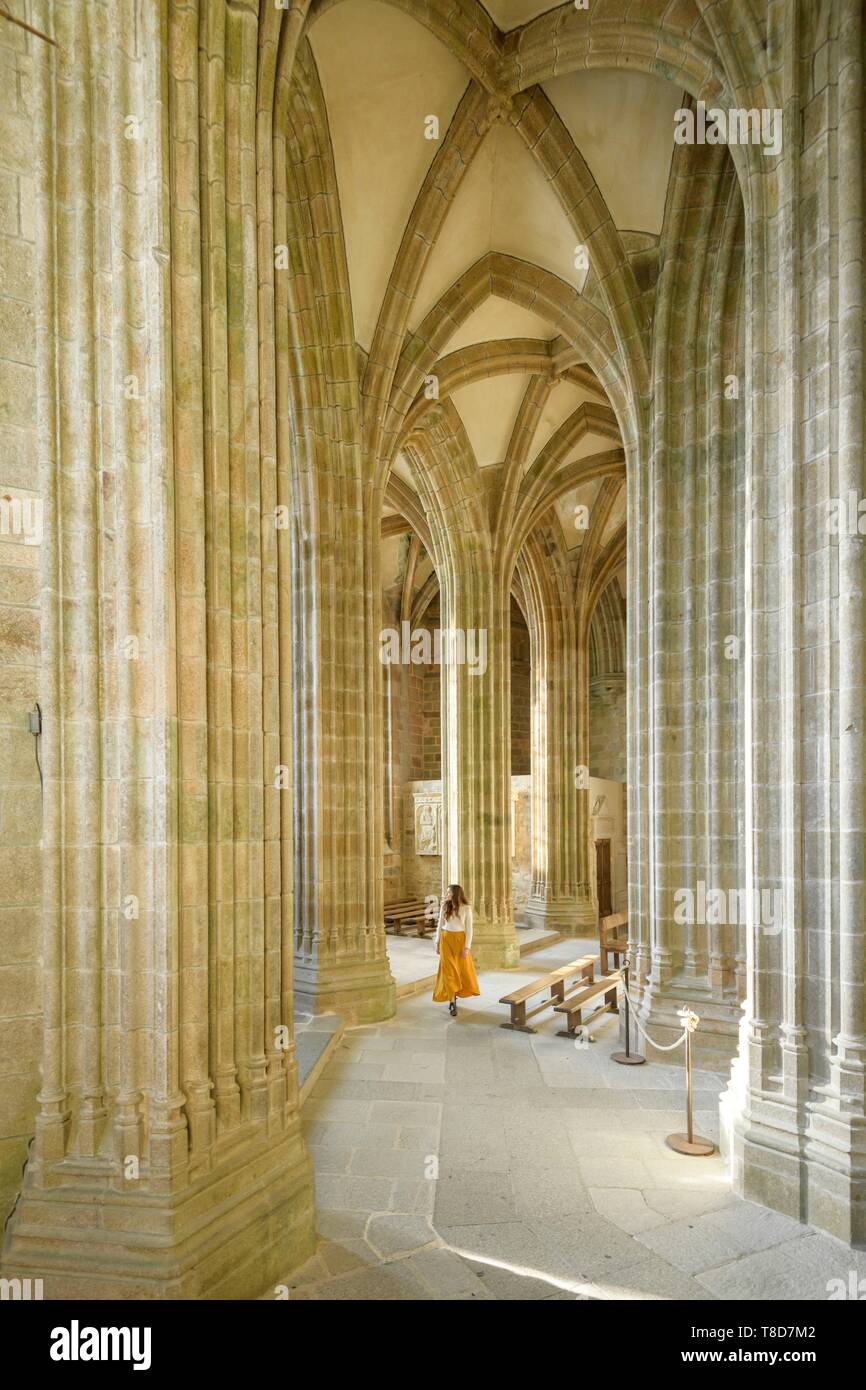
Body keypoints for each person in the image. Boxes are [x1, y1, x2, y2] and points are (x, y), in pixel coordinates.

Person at [432, 884, 480, 1016]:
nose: (446, 894)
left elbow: (469, 929)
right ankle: (452, 1002)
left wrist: (467, 947)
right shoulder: (444, 906)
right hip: (446, 940)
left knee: (459, 970)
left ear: (456, 893)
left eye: (449, 892)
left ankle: (454, 997)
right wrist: (437, 942)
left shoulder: (466, 908)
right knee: (449, 971)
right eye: (446, 891)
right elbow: (440, 925)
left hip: (459, 941)